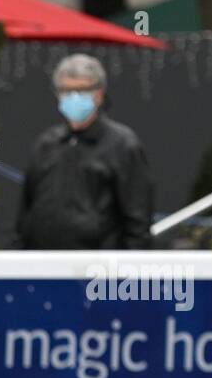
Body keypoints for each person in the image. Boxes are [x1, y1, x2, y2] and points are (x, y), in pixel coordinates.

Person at [15, 54, 152, 250]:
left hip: (98, 268)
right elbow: (25, 212)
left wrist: (128, 272)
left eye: (82, 90)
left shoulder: (123, 145)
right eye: (66, 90)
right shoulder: (47, 144)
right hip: (46, 265)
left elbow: (137, 221)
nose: (73, 97)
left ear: (99, 94)